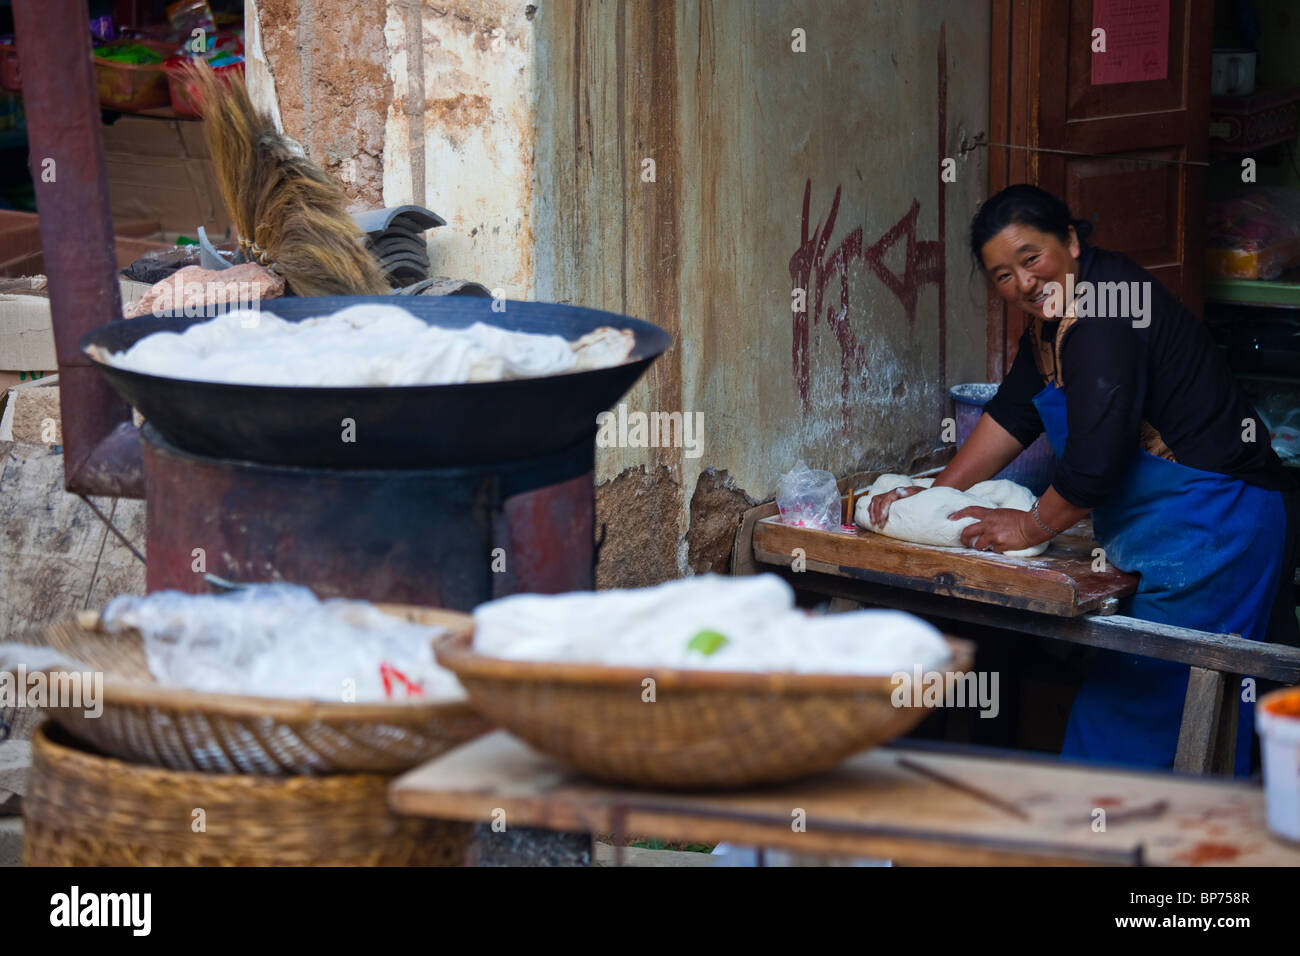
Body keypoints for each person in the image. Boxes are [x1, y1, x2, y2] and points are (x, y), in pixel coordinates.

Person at [869, 184, 1299, 773]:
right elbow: (1014, 411)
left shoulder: (1107, 310)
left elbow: (1099, 456)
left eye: (1031, 257)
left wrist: (1031, 525)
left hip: (1216, 528)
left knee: (1146, 710)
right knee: (1193, 715)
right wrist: (937, 495)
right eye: (1002, 275)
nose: (1022, 282)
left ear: (1070, 241)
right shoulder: (1052, 322)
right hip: (1177, 532)